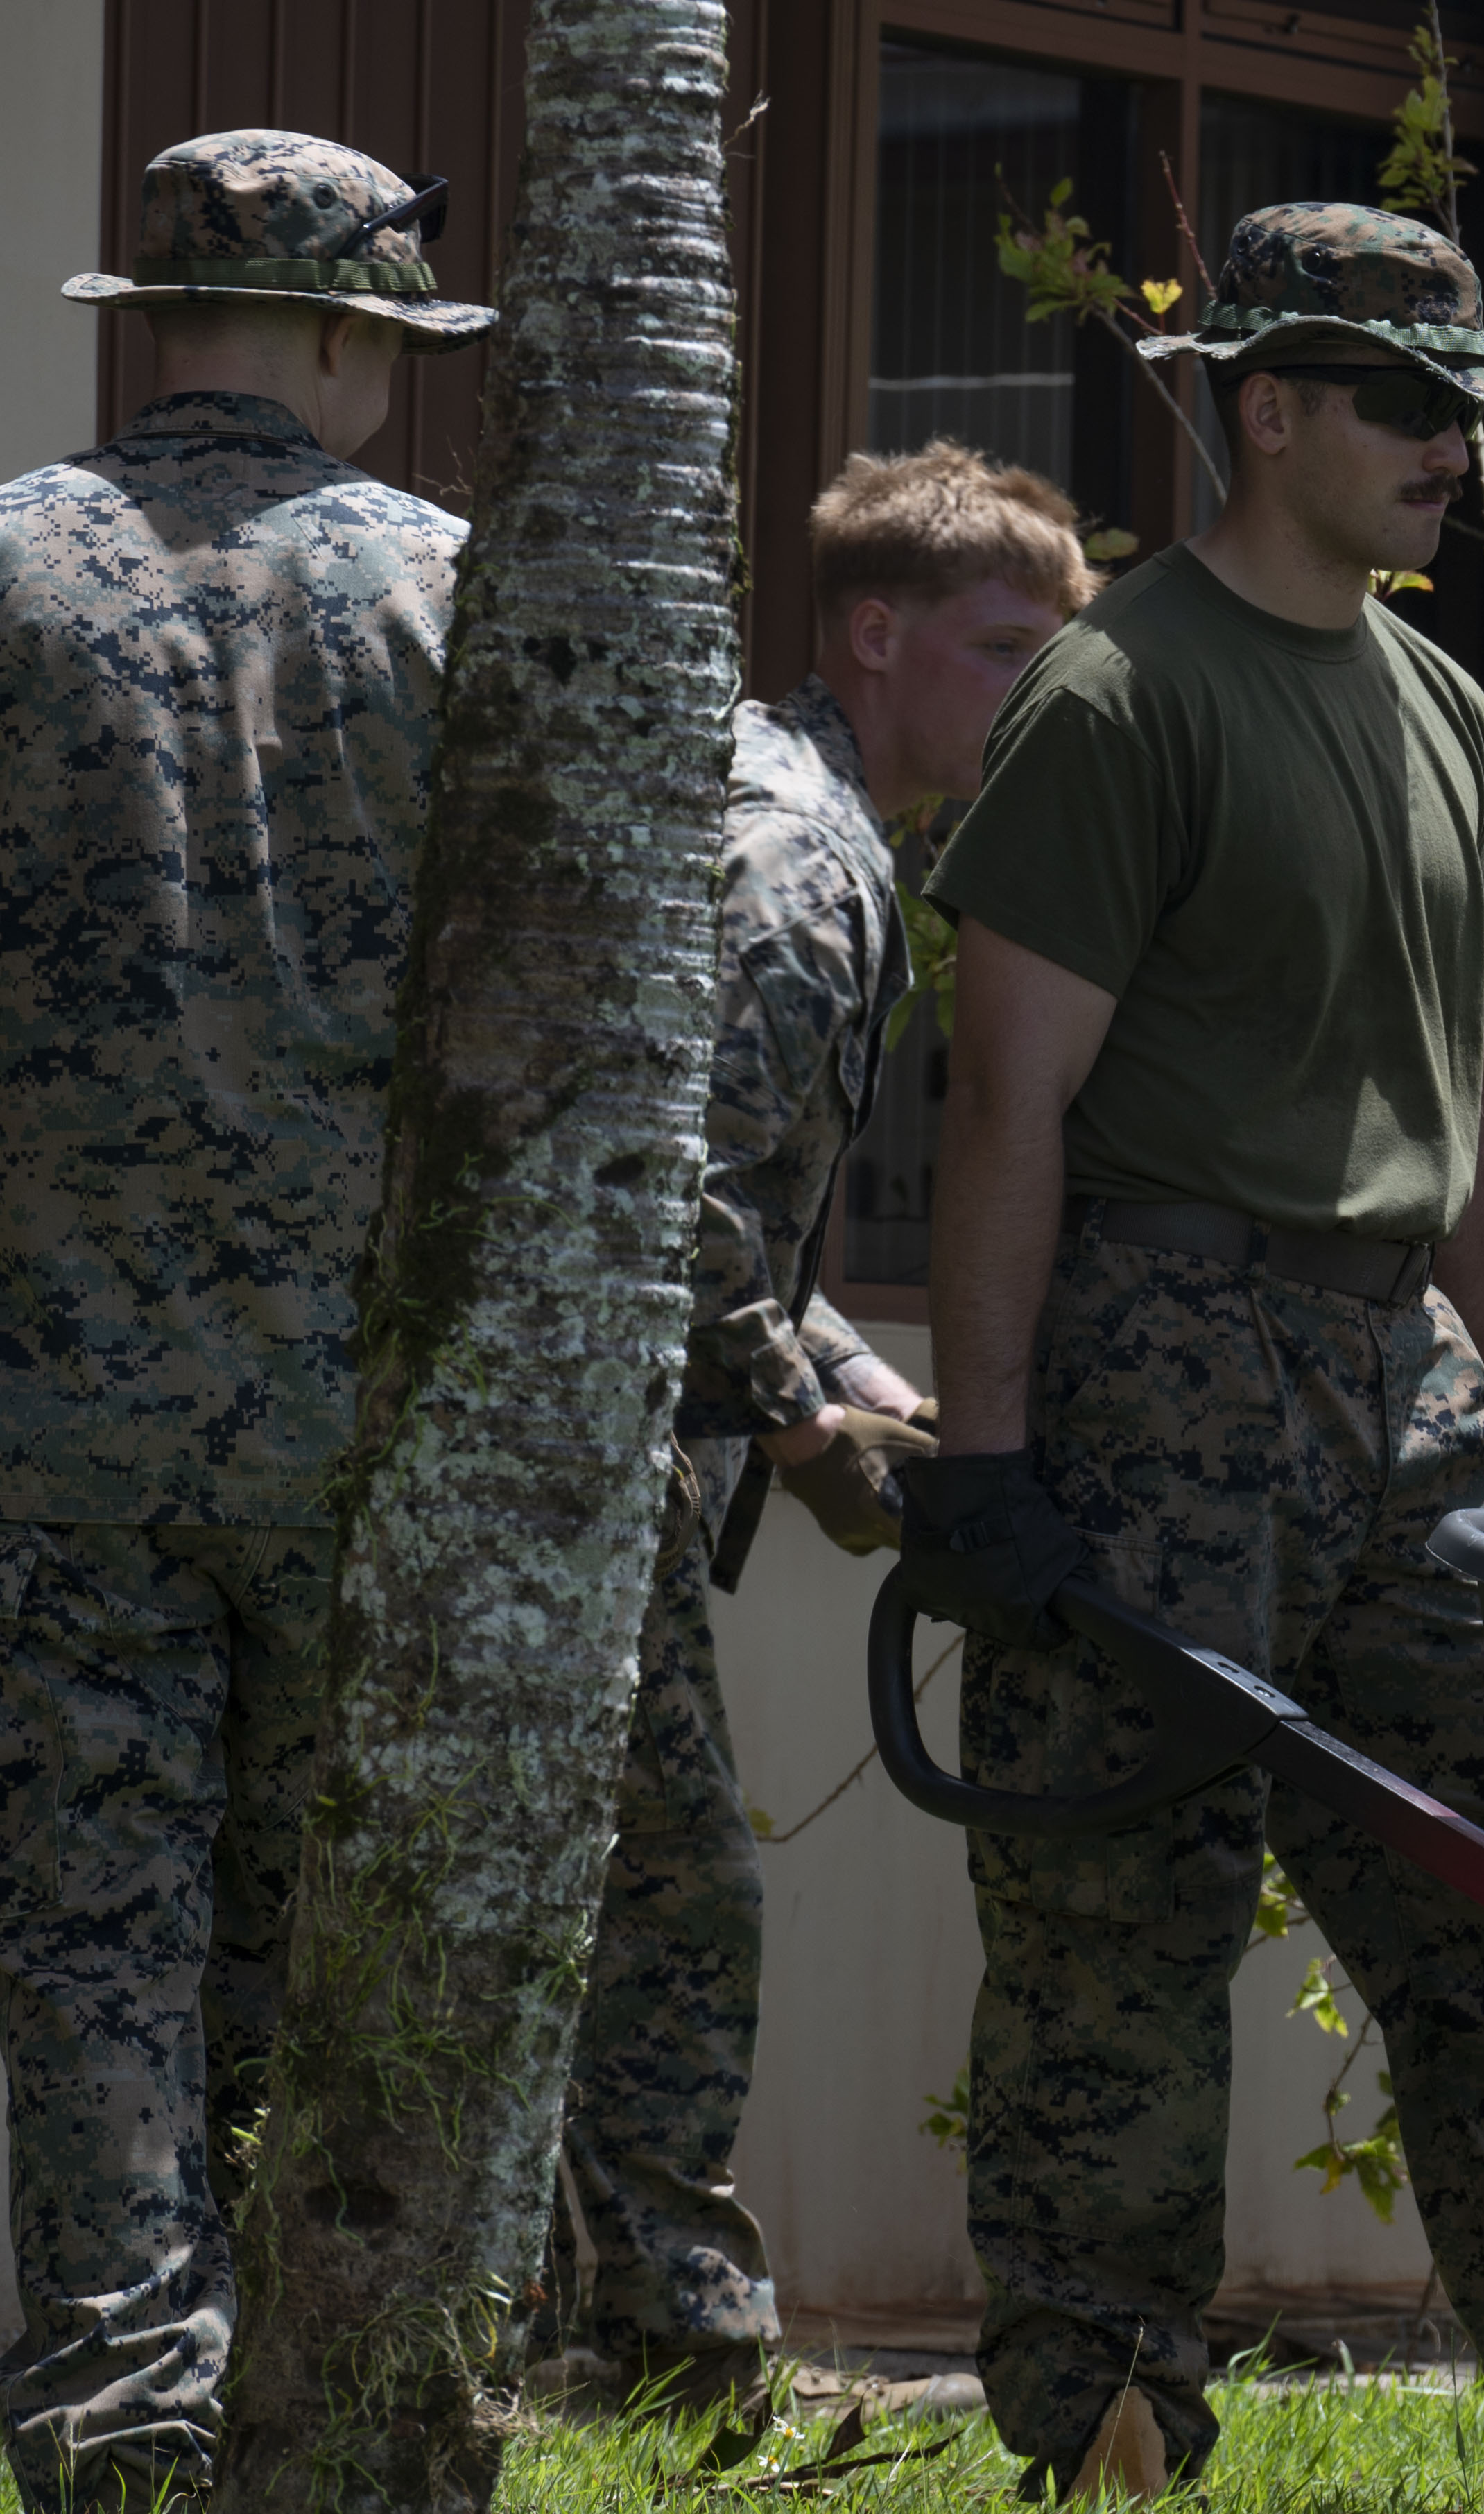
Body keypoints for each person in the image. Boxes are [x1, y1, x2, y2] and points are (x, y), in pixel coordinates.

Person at [894, 204, 1484, 2497]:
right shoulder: (1117, 694)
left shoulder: (1442, 704)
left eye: (1471, 410)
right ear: (1267, 411)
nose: (1454, 449)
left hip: (1400, 1384)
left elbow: (1474, 1099)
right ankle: (1110, 2443)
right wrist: (985, 1459)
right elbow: (1008, 1099)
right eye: (1406, 406)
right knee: (1122, 1928)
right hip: (1163, 1363)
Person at [0, 131, 492, 2504]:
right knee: (329, 1937)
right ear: (336, 332)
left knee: (92, 1935)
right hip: (354, 1407)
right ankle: (336, 2413)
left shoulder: (9, 562)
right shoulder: (452, 592)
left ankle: (120, 2425)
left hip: (49, 1399)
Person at [538, 445, 1096, 2403]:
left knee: (605, 1899)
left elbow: (744, 1231)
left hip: (583, 1458)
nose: (1033, 696)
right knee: (676, 1911)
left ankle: (587, 2340)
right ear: (875, 633)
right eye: (1002, 649)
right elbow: (665, 1195)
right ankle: (675, 2363)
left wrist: (862, 1379)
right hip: (567, 1474)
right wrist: (802, 1435)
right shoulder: (800, 862)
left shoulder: (808, 819)